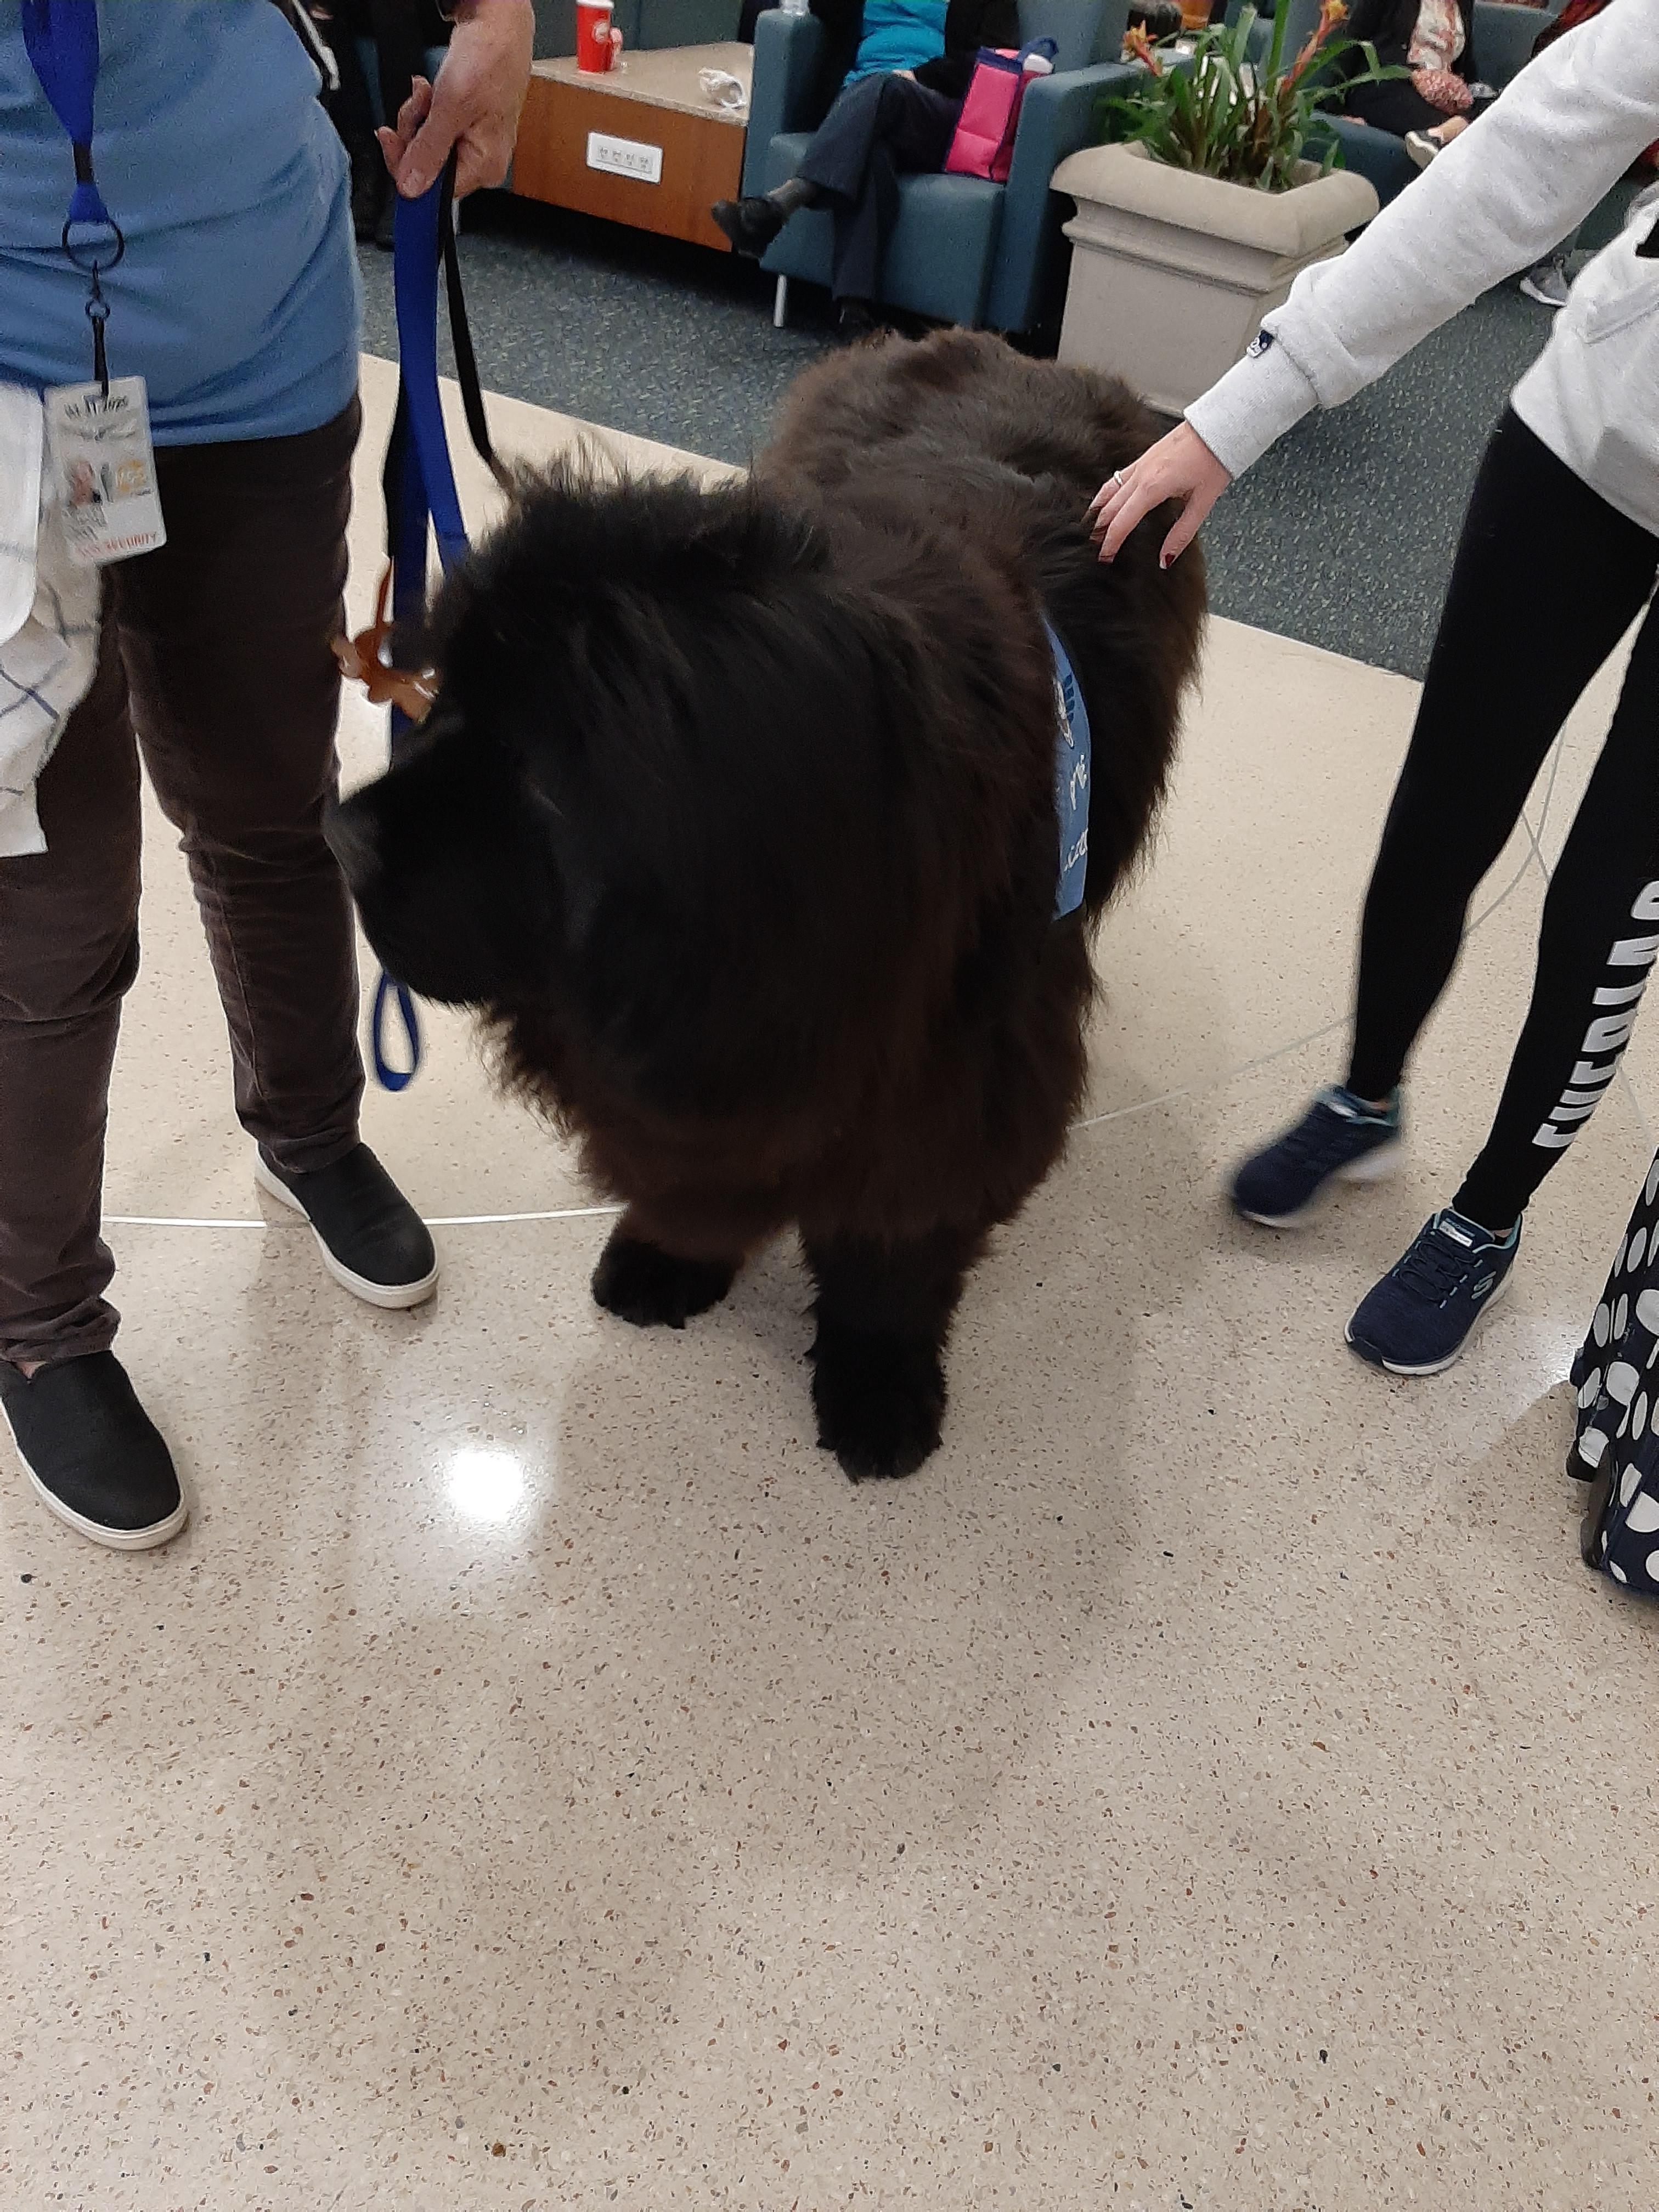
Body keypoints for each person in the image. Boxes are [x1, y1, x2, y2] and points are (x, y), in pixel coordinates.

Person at [0, 0, 533, 1550]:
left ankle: (307, 1132)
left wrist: (500, 20)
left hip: (261, 339)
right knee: (47, 910)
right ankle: (39, 1322)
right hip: (14, 394)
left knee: (266, 806)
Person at [1090, 2, 1659, 1379]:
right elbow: (1502, 174)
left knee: (1611, 901)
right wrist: (1235, 419)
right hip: (1594, 431)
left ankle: (1488, 1213)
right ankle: (1367, 1093)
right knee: (1444, 810)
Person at [712, 0, 1020, 337]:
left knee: (885, 88)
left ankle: (784, 201)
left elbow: (998, 60)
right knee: (872, 152)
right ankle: (854, 313)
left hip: (935, 109)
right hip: (858, 103)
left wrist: (919, 75)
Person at [1333, 0, 1495, 167]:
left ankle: (1438, 135)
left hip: (1441, 96)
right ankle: (1444, 134)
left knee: (1494, 109)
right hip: (1389, 86)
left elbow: (1466, 67)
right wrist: (1337, 110)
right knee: (1476, 140)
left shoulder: (1463, 3)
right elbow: (1353, 41)